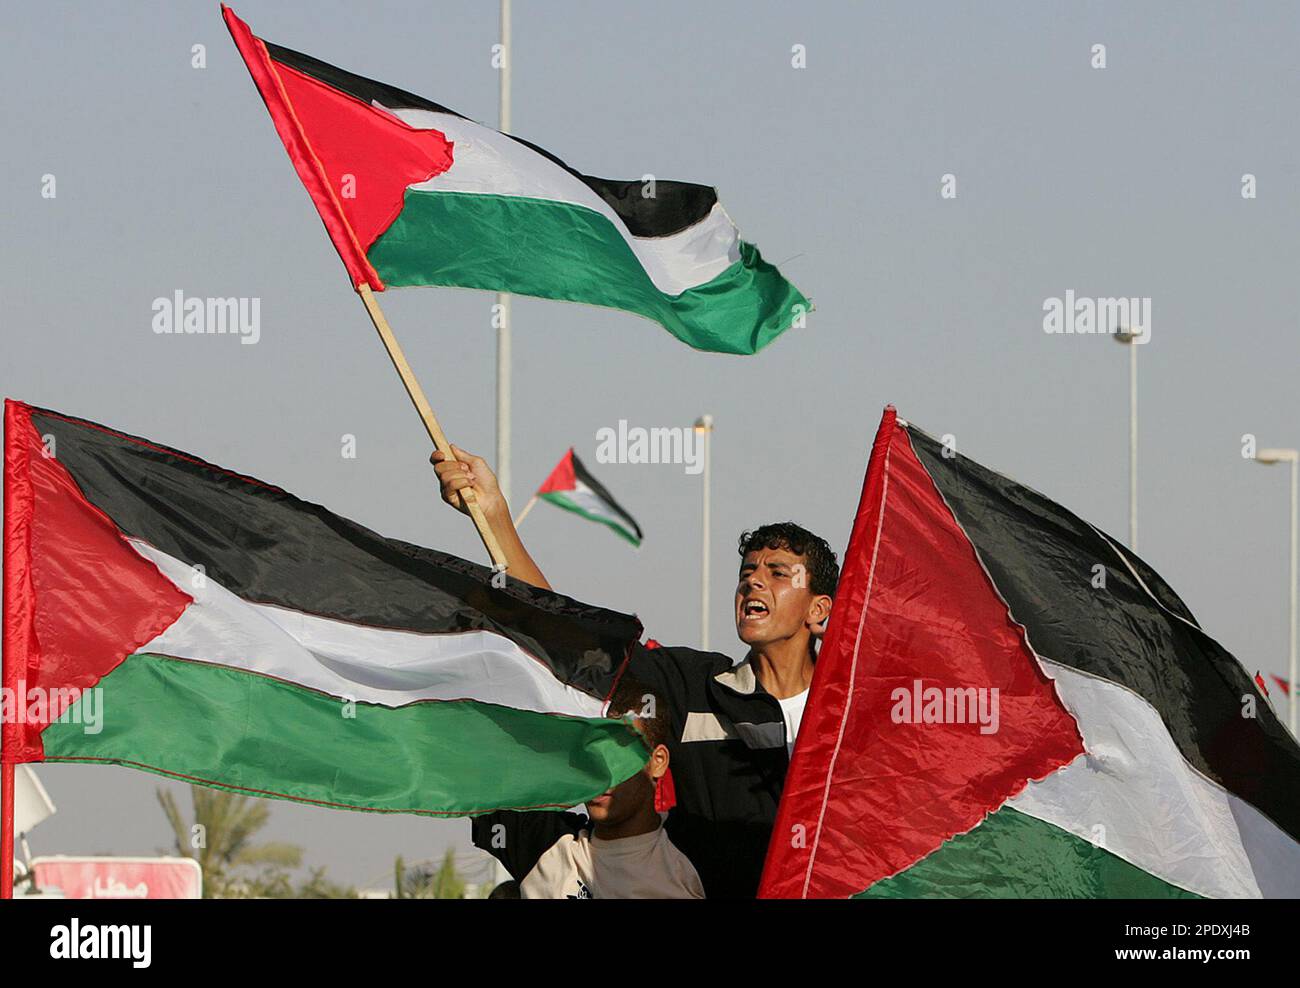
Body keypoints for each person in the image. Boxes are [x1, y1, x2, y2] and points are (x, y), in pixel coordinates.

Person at [434, 447, 838, 898]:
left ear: (819, 610)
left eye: (778, 573)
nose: (753, 582)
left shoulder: (855, 713)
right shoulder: (694, 685)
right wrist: (495, 516)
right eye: (747, 571)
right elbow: (571, 638)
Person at [471, 677, 704, 899]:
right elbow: (469, 759)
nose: (601, 773)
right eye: (589, 756)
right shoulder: (542, 843)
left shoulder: (700, 858)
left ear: (658, 761)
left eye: (617, 758)